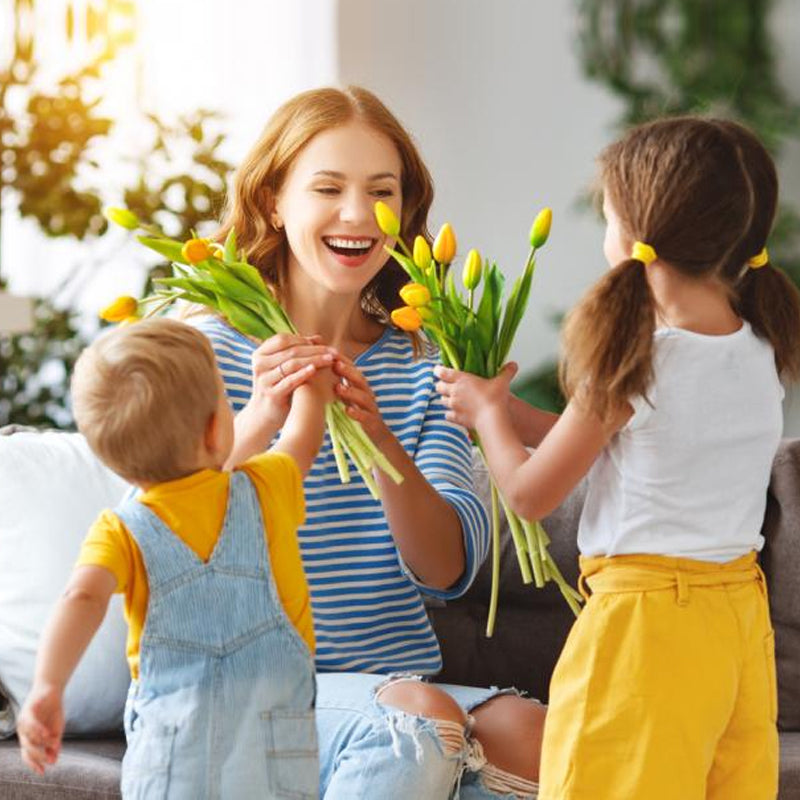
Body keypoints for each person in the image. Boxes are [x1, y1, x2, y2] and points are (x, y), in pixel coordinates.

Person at [434, 116, 800, 800]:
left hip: (645, 627)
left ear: (636, 232)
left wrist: (488, 419)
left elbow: (528, 497)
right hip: (733, 626)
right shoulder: (758, 350)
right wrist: (513, 415)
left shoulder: (634, 364)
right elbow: (635, 445)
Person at [196, 85, 546, 799]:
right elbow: (166, 536)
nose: (359, 215)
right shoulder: (202, 352)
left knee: (536, 735)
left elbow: (445, 571)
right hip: (242, 685)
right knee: (417, 725)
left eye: (381, 192)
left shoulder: (429, 366)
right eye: (328, 187)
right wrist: (263, 415)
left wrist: (375, 434)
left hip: (390, 684)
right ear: (272, 200)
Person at [16, 317, 328, 799]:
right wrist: (313, 387)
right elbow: (301, 440)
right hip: (273, 750)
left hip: (170, 756)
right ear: (212, 430)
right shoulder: (264, 487)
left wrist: (47, 687)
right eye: (226, 399)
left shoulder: (119, 529)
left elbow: (81, 596)